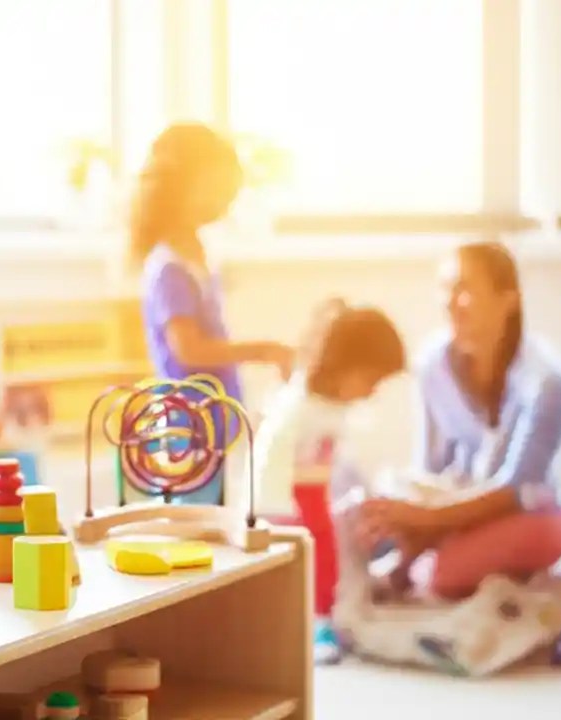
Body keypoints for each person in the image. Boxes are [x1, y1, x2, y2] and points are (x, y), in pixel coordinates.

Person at [358, 240, 561, 601]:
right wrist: (407, 512)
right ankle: (422, 558)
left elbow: (514, 491)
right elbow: (429, 468)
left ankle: (439, 563)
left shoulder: (545, 381)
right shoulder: (432, 366)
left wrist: (425, 519)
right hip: (455, 507)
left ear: (509, 299)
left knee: (438, 575)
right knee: (372, 507)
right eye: (446, 288)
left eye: (465, 289)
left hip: (527, 517)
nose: (451, 302)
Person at [130, 123, 295, 504]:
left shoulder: (195, 254)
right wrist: (262, 350)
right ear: (183, 186)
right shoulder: (169, 266)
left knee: (208, 512)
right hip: (187, 425)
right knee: (191, 516)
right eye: (219, 187)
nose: (227, 199)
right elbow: (189, 349)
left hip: (210, 422)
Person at [252, 299, 406, 663]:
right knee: (314, 555)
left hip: (307, 492)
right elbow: (272, 445)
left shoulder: (320, 401)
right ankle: (314, 622)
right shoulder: (304, 404)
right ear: (344, 367)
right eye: (370, 381)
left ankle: (320, 617)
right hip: (286, 498)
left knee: (325, 554)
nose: (371, 392)